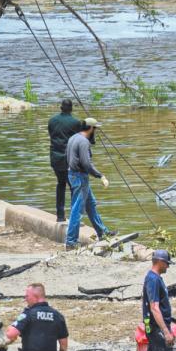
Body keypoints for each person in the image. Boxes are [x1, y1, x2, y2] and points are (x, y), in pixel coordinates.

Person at [64, 118, 115, 249]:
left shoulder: (73, 138)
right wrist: (100, 176)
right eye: (95, 129)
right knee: (77, 210)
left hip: (73, 175)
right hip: (80, 178)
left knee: (90, 205)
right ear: (91, 128)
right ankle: (71, 242)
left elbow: (68, 156)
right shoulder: (84, 142)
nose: (95, 131)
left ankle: (103, 233)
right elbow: (87, 164)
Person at [47, 99, 82, 222]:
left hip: (55, 158)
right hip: (69, 160)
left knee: (60, 184)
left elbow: (52, 136)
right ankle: (74, 217)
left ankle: (60, 216)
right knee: (74, 187)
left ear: (61, 108)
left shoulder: (52, 121)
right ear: (71, 109)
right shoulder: (76, 123)